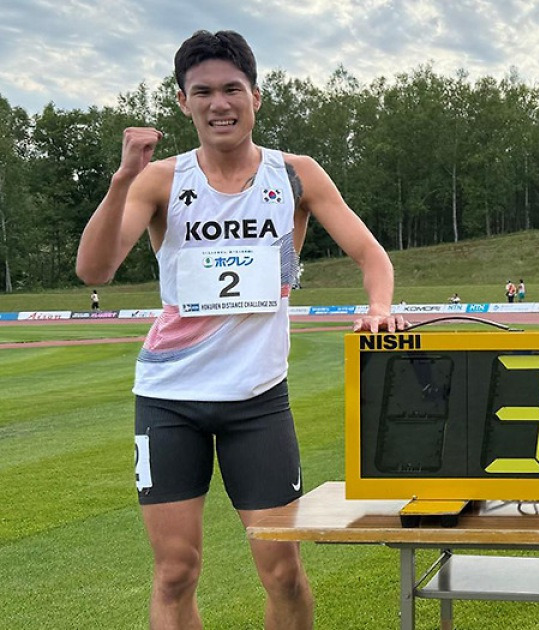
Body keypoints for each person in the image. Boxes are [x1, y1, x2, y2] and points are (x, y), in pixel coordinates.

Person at [74, 30, 404, 630]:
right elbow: (94, 270)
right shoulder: (162, 181)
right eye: (203, 92)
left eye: (232, 89)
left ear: (256, 95)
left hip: (257, 402)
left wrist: (379, 307)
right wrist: (122, 178)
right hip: (170, 399)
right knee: (175, 571)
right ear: (183, 102)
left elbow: (371, 254)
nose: (218, 103)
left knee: (282, 571)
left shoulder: (296, 175)